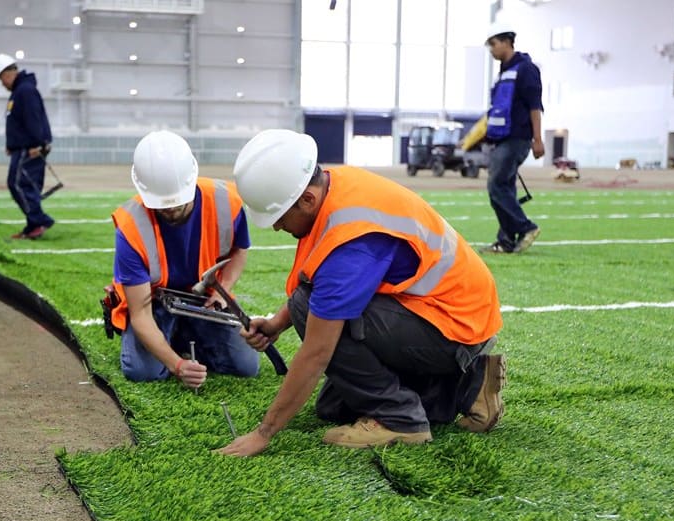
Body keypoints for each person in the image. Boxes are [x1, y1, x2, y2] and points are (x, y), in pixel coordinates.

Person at [218, 129, 506, 458]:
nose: (277, 228)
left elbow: (316, 353)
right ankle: (464, 388)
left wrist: (264, 432)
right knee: (334, 405)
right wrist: (275, 325)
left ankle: (401, 418)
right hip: (441, 314)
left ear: (307, 200)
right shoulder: (331, 184)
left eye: (280, 218)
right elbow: (317, 276)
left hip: (454, 327)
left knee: (306, 307)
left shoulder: (353, 240)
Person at [107, 131, 260, 389]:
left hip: (203, 301)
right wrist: (177, 366)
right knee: (142, 371)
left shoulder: (226, 202)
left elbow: (239, 250)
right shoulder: (130, 225)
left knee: (245, 366)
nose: (171, 209)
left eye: (179, 203)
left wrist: (224, 292)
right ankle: (171, 338)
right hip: (154, 302)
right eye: (162, 205)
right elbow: (141, 314)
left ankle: (181, 334)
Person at [483, 19, 545, 254]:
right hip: (503, 138)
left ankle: (526, 227)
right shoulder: (505, 71)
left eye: (494, 44)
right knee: (505, 188)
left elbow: (534, 106)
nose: (491, 49)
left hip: (517, 138)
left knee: (497, 185)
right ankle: (506, 240)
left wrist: (537, 139)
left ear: (507, 41)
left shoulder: (525, 69)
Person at [0, 53, 54, 240]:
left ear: (8, 73)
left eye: (1, 78)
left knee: (17, 184)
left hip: (30, 148)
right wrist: (11, 144)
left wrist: (38, 143)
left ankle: (39, 220)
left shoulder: (25, 91)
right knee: (26, 186)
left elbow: (33, 119)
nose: (1, 83)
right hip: (23, 147)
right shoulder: (20, 91)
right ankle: (33, 225)